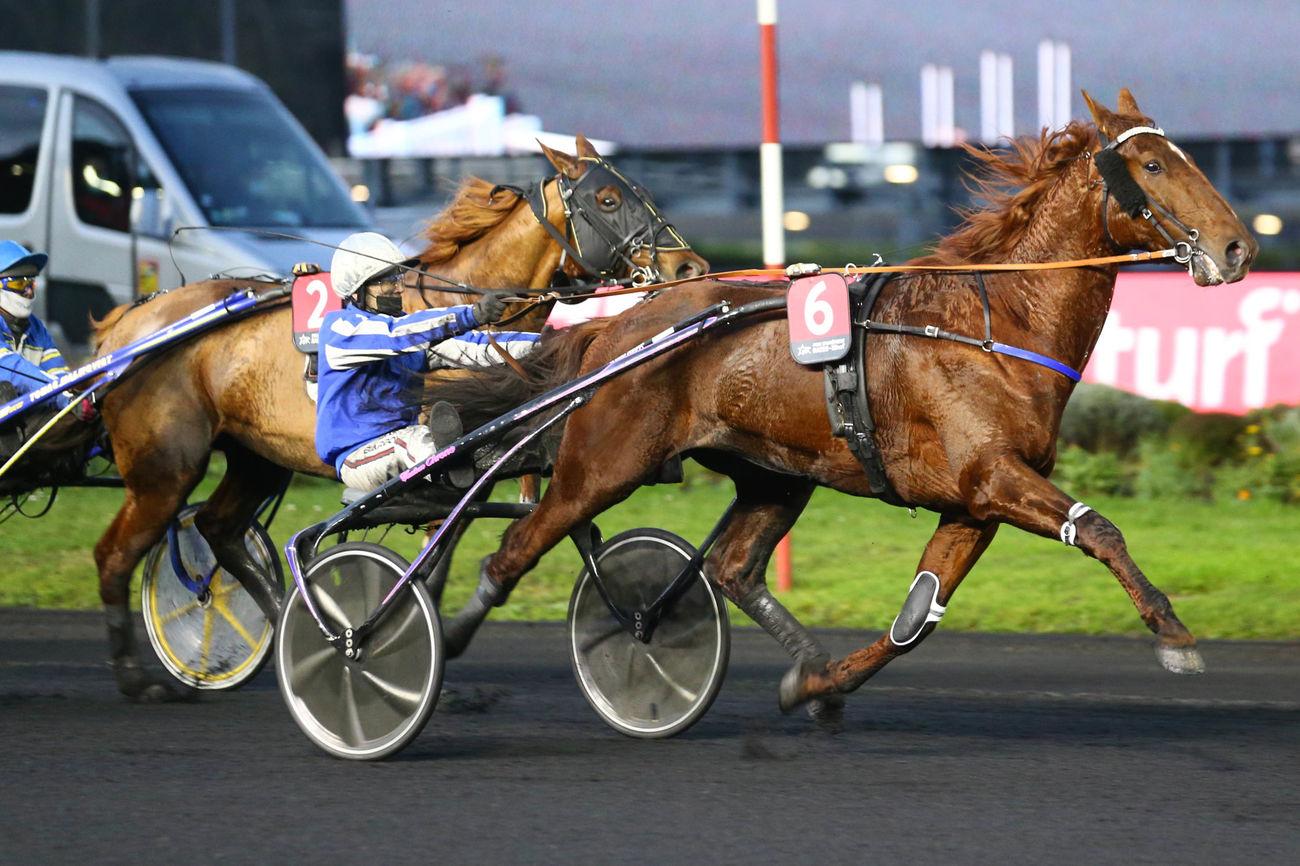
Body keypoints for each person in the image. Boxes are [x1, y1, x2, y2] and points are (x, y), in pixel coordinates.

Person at [306, 232, 539, 491]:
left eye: (398, 278)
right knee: (413, 440)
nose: (398, 287)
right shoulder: (339, 329)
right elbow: (396, 335)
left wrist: (548, 343)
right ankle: (451, 471)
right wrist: (473, 313)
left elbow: (472, 348)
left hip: (406, 445)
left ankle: (505, 457)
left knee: (475, 433)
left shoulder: (410, 336)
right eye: (387, 281)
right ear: (359, 290)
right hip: (356, 456)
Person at [0, 241, 74, 409]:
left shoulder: (36, 328)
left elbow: (59, 373)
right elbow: (13, 370)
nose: (28, 291)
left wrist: (73, 395)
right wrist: (61, 396)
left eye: (30, 283)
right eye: (19, 284)